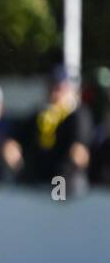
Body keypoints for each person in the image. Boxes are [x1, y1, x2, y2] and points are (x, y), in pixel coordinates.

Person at [25, 66, 93, 196]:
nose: (54, 93)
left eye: (59, 88)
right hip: (40, 178)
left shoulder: (78, 115)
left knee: (59, 196)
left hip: (64, 181)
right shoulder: (38, 116)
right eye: (51, 87)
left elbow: (79, 152)